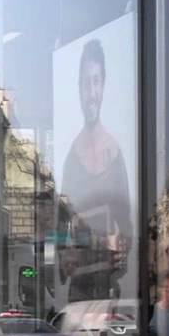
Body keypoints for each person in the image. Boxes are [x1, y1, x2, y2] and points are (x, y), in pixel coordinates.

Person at [57, 38, 132, 304]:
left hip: (110, 290)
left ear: (104, 85)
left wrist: (120, 251)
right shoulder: (70, 160)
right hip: (79, 293)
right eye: (86, 82)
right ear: (78, 88)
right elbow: (59, 231)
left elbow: (127, 228)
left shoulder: (117, 156)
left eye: (96, 81)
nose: (91, 92)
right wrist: (65, 256)